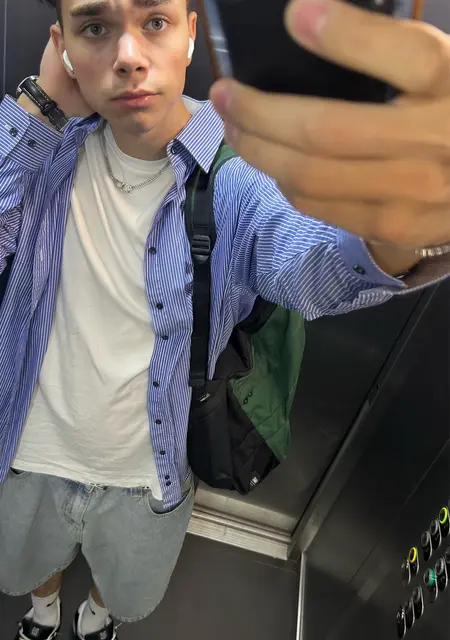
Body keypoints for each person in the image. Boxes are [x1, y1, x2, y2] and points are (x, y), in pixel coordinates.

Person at [0, 0, 448, 639]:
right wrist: (39, 107)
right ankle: (43, 613)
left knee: (122, 581)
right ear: (62, 44)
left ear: (191, 34)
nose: (127, 57)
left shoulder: (237, 177)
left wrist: (402, 229)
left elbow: (313, 264)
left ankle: (96, 619)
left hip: (148, 477)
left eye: (155, 22)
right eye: (95, 27)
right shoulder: (38, 151)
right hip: (27, 453)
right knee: (30, 559)